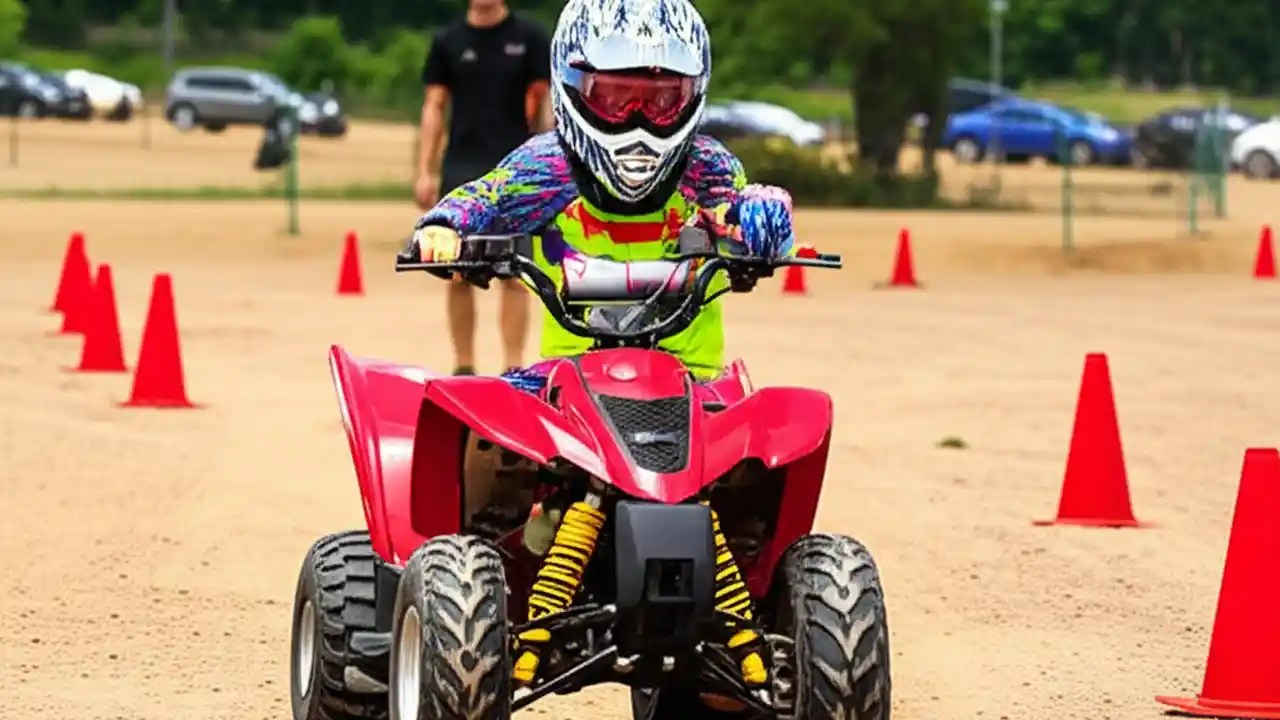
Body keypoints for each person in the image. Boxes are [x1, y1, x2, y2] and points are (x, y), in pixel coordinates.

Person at [405, 0, 799, 692]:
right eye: (616, 98)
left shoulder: (704, 166)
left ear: (692, 96)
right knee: (484, 447)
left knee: (765, 483)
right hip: (567, 387)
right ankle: (504, 572)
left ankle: (759, 616)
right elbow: (483, 201)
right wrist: (445, 227)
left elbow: (741, 206)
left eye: (661, 99)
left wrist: (763, 221)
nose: (640, 121)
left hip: (694, 384)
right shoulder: (548, 167)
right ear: (574, 87)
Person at [415, 0, 552, 376]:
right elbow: (434, 106)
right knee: (457, 273)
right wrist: (424, 170)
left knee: (514, 273)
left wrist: (552, 166)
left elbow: (546, 107)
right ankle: (464, 366)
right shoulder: (448, 41)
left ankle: (513, 366)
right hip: (462, 169)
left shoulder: (530, 38)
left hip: (516, 171)